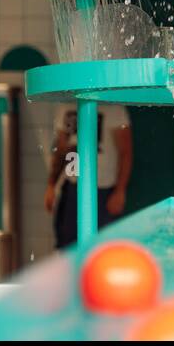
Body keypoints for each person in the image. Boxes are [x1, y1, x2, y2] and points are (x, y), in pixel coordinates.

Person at [46, 104, 133, 249]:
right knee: (67, 245)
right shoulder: (65, 105)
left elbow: (126, 152)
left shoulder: (113, 108)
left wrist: (120, 191)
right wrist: (51, 185)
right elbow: (61, 149)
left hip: (104, 189)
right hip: (72, 186)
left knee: (102, 247)